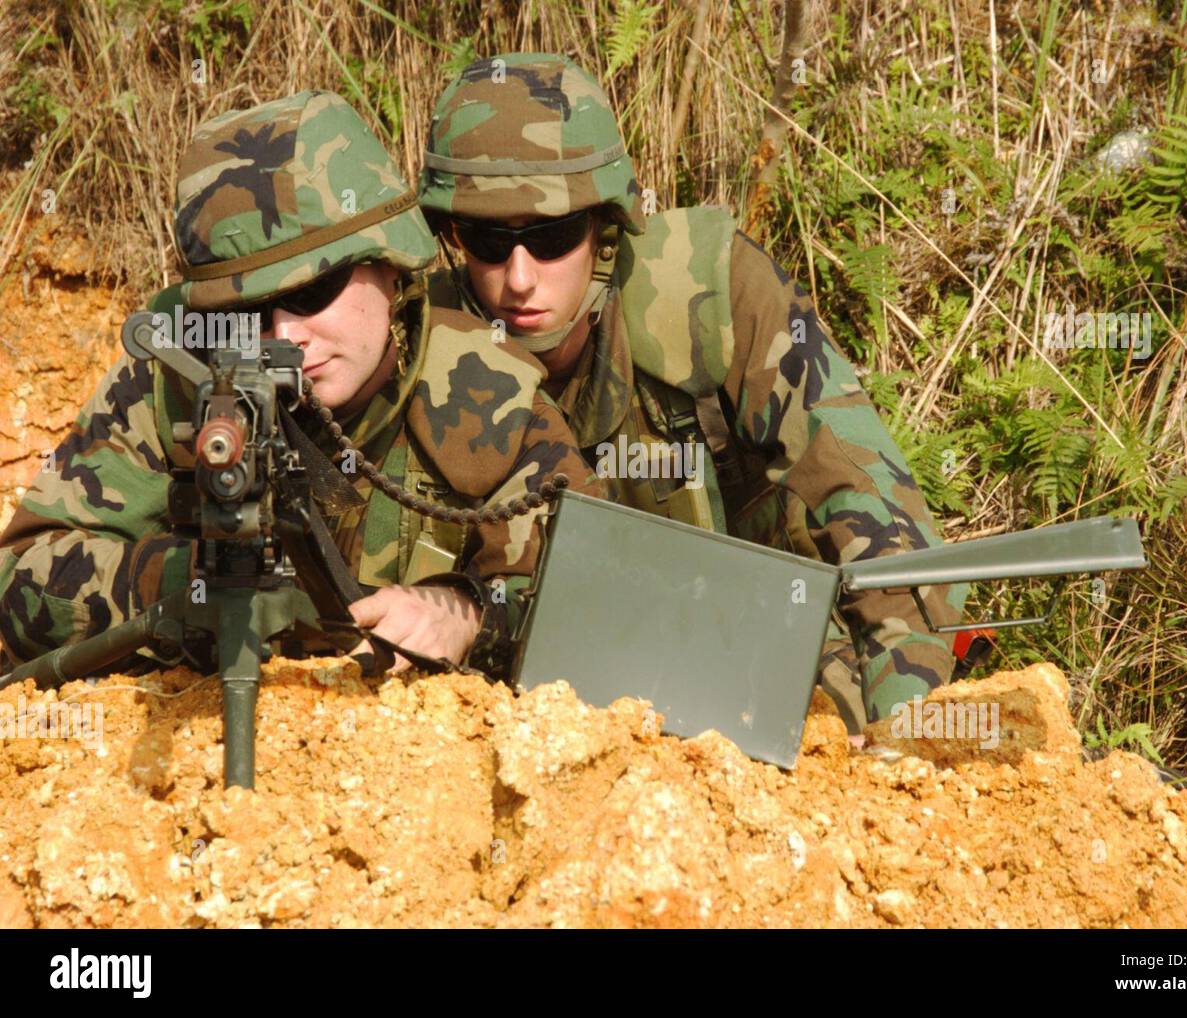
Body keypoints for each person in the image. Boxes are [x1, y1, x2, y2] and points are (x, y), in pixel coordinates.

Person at [416, 53, 969, 730]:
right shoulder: (421, 343)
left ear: (605, 229)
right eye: (488, 240)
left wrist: (903, 732)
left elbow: (873, 511)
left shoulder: (713, 295)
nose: (520, 278)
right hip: (529, 681)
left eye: (553, 236)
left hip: (751, 641)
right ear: (451, 237)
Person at [0, 89, 604, 679]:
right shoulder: (173, 375)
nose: (286, 334)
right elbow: (18, 579)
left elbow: (601, 604)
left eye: (314, 292)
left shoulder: (487, 392)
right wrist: (194, 580)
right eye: (249, 312)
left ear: (390, 265)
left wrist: (470, 617)